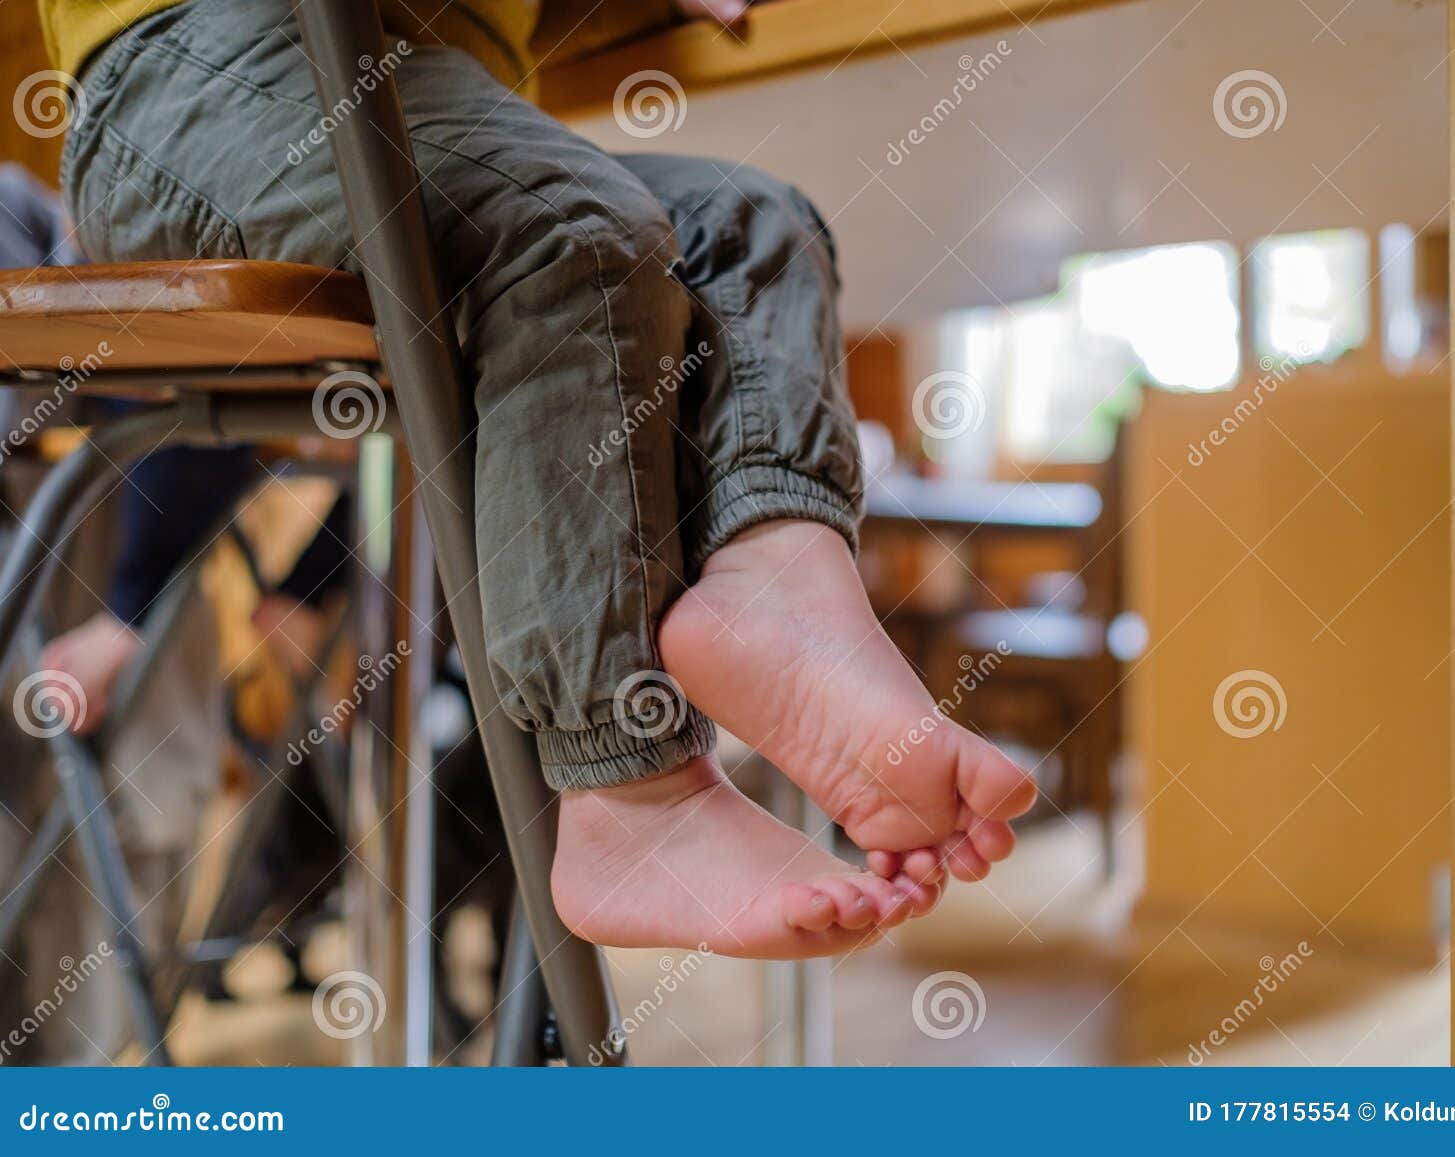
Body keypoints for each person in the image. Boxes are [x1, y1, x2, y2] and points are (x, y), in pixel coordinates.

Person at [39, 0, 1038, 960]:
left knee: (749, 228)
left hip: (437, 90)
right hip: (190, 76)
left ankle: (779, 579)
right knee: (567, 231)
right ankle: (633, 794)